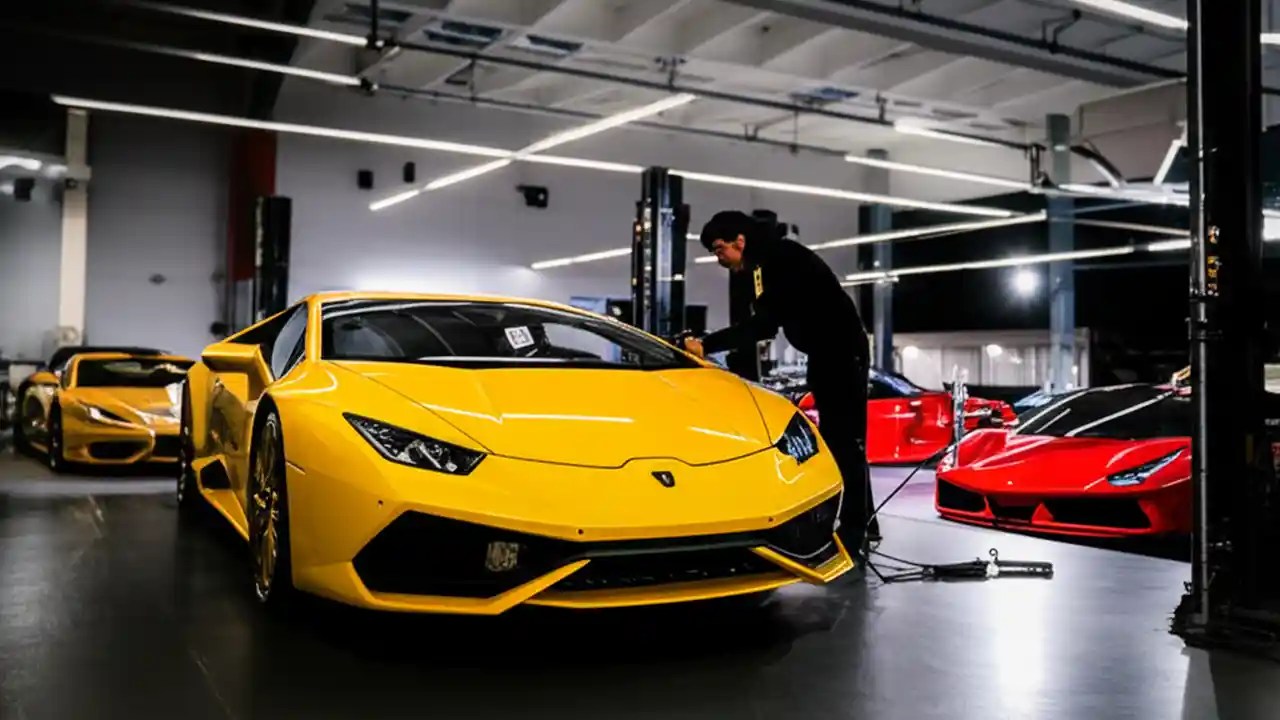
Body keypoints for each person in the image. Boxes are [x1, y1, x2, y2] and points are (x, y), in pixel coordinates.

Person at [683, 210, 880, 552]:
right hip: (827, 353)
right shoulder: (765, 263)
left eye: (719, 249)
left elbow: (763, 326)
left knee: (844, 442)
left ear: (739, 241)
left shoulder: (779, 259)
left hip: (841, 352)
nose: (719, 259)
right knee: (842, 440)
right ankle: (865, 523)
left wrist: (707, 344)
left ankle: (853, 531)